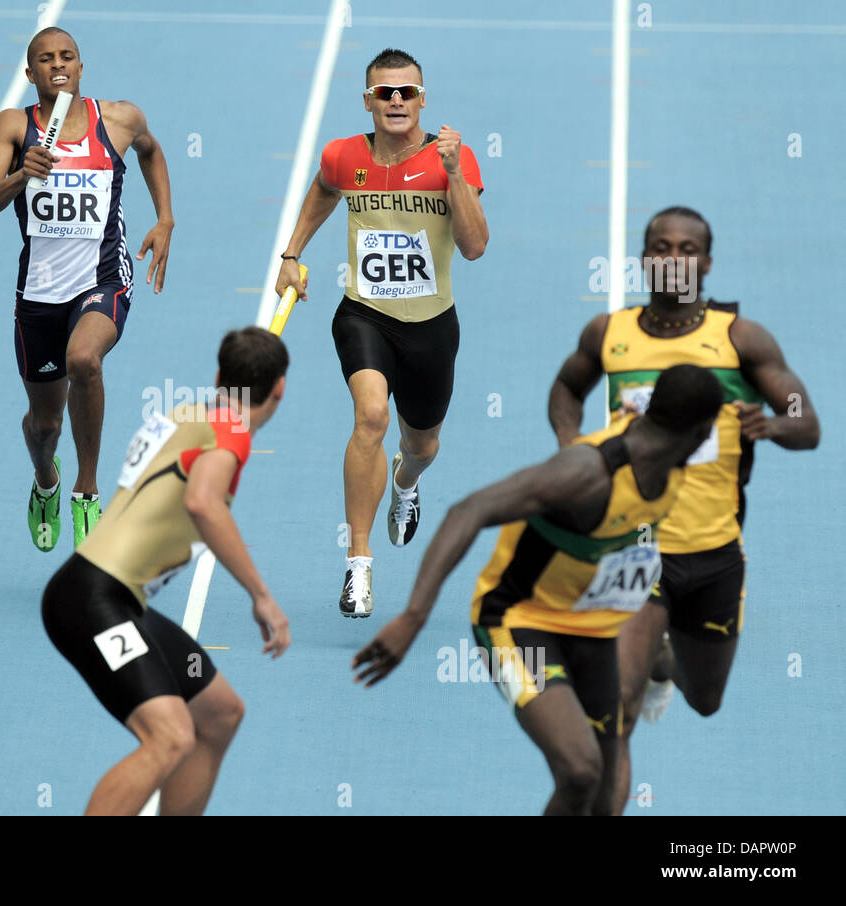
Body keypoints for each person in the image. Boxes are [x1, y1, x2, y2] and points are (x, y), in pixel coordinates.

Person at [354, 365, 722, 816]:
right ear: (701, 430)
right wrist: (413, 618)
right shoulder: (589, 473)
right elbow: (469, 510)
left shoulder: (673, 460)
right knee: (581, 769)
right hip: (519, 623)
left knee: (607, 796)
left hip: (594, 627)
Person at [548, 206, 820, 812]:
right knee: (614, 713)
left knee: (706, 697)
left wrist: (774, 422)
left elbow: (808, 420)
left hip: (715, 554)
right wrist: (574, 451)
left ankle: (664, 664)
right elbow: (568, 387)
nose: (673, 260)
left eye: (687, 249)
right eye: (661, 247)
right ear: (645, 258)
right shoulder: (609, 333)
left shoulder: (740, 339)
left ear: (707, 262)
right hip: (635, 550)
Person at [273, 47, 488, 618]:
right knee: (370, 416)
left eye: (407, 92)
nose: (396, 101)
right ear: (367, 100)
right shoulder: (344, 156)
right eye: (385, 92)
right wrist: (292, 252)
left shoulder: (451, 159)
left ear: (422, 98)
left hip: (432, 328)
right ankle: (359, 566)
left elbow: (474, 246)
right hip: (363, 315)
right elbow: (323, 188)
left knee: (421, 445)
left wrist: (456, 172)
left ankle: (405, 484)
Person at [42, 327, 290, 815]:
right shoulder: (231, 432)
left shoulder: (187, 415)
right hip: (91, 599)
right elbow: (203, 503)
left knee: (219, 713)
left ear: (220, 377)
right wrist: (260, 594)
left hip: (117, 600)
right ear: (280, 388)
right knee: (170, 737)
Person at [0, 27, 175, 552]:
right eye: (45, 59)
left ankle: (87, 490)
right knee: (44, 426)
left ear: (81, 66)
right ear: (30, 73)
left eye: (67, 57)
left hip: (103, 280)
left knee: (85, 359)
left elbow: (151, 152)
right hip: (39, 294)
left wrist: (165, 219)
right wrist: (22, 177)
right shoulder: (13, 128)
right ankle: (47, 482)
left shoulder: (119, 119)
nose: (57, 65)